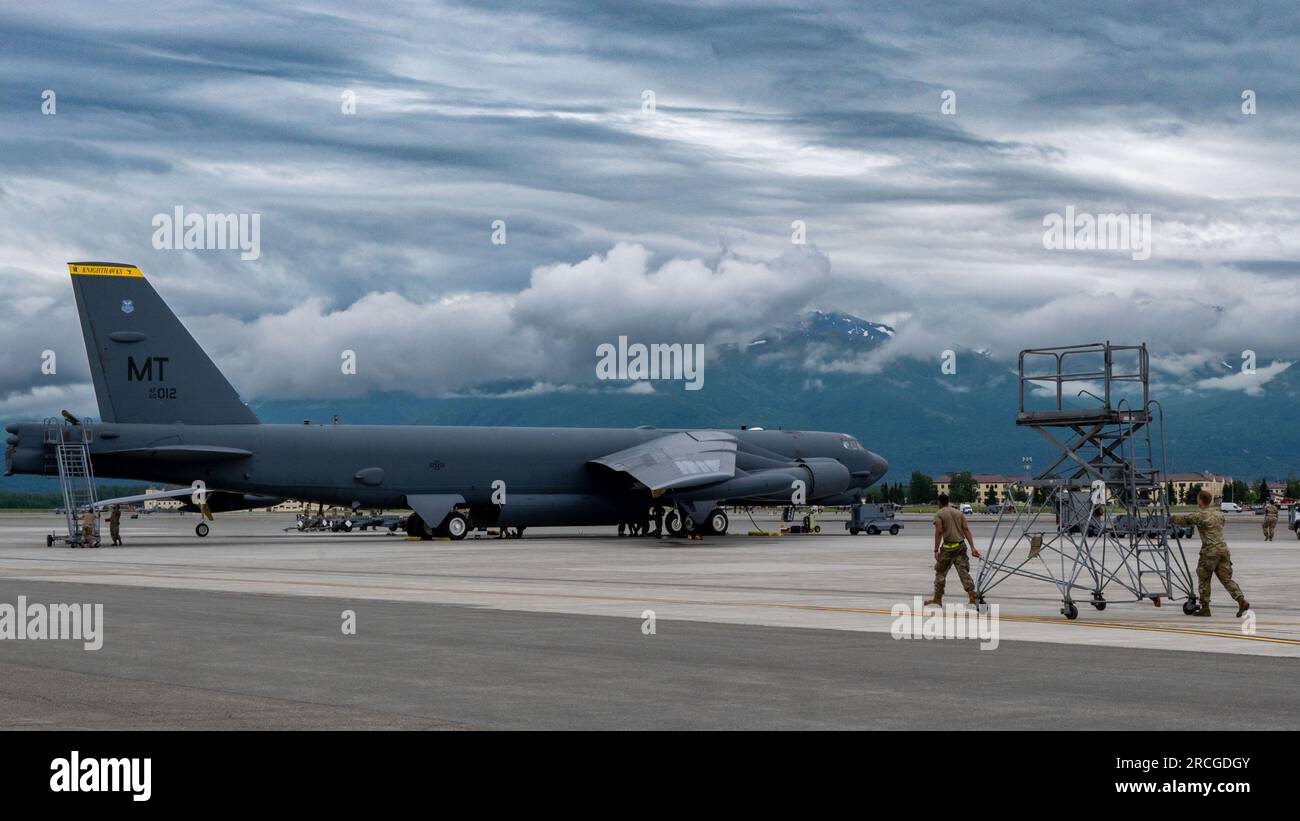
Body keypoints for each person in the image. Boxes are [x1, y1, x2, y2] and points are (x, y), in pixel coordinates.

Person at [1172, 489, 1250, 617]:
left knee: (1204, 579)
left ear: (1200, 500)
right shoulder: (1219, 514)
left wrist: (1171, 518)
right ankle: (1241, 600)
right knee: (1226, 579)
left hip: (1209, 551)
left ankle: (1205, 608)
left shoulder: (1200, 515)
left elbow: (1184, 520)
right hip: (1223, 550)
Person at [925, 494, 981, 606]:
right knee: (963, 572)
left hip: (948, 549)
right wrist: (973, 547)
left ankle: (937, 598)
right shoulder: (958, 513)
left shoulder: (939, 514)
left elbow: (939, 531)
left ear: (939, 502)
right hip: (960, 546)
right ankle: (972, 596)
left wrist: (936, 550)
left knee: (940, 572)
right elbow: (965, 529)